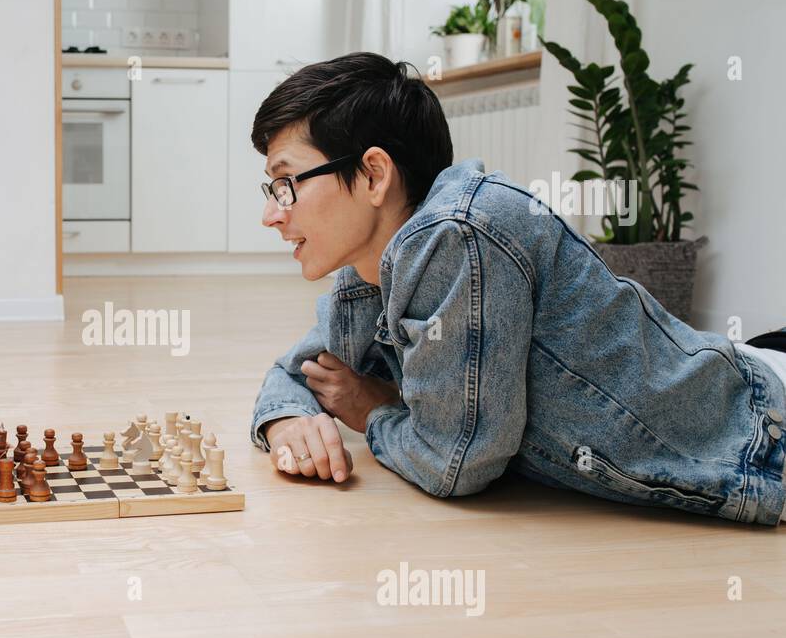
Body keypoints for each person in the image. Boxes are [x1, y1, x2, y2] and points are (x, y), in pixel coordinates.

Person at [250, 52, 786, 526]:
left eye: (287, 183)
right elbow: (294, 373)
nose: (271, 215)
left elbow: (455, 462)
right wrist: (286, 420)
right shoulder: (368, 266)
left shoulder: (457, 233)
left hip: (759, 431)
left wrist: (374, 413)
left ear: (373, 175)